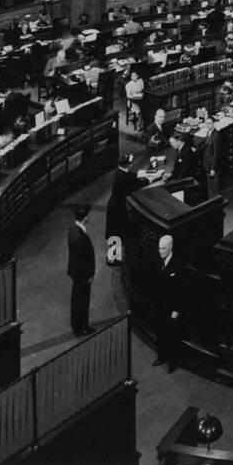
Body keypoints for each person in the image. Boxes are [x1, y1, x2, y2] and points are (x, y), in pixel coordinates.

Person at [105, 153, 146, 262]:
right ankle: (112, 259)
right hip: (116, 208)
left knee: (116, 233)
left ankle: (113, 257)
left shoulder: (119, 172)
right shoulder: (124, 176)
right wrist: (150, 179)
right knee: (116, 233)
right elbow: (135, 182)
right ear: (129, 164)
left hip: (115, 206)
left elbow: (130, 175)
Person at [153, 235, 182, 373]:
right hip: (159, 305)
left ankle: (172, 362)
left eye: (163, 248)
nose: (160, 251)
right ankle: (161, 356)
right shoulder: (158, 262)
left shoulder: (177, 264)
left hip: (171, 308)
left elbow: (180, 290)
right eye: (159, 248)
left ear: (170, 247)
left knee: (171, 336)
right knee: (160, 332)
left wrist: (176, 309)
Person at [66, 204, 95, 336]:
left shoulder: (73, 229)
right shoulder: (80, 237)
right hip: (82, 274)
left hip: (75, 272)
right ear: (85, 218)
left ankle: (77, 325)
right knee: (82, 301)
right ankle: (81, 327)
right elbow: (84, 259)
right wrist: (89, 275)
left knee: (77, 300)